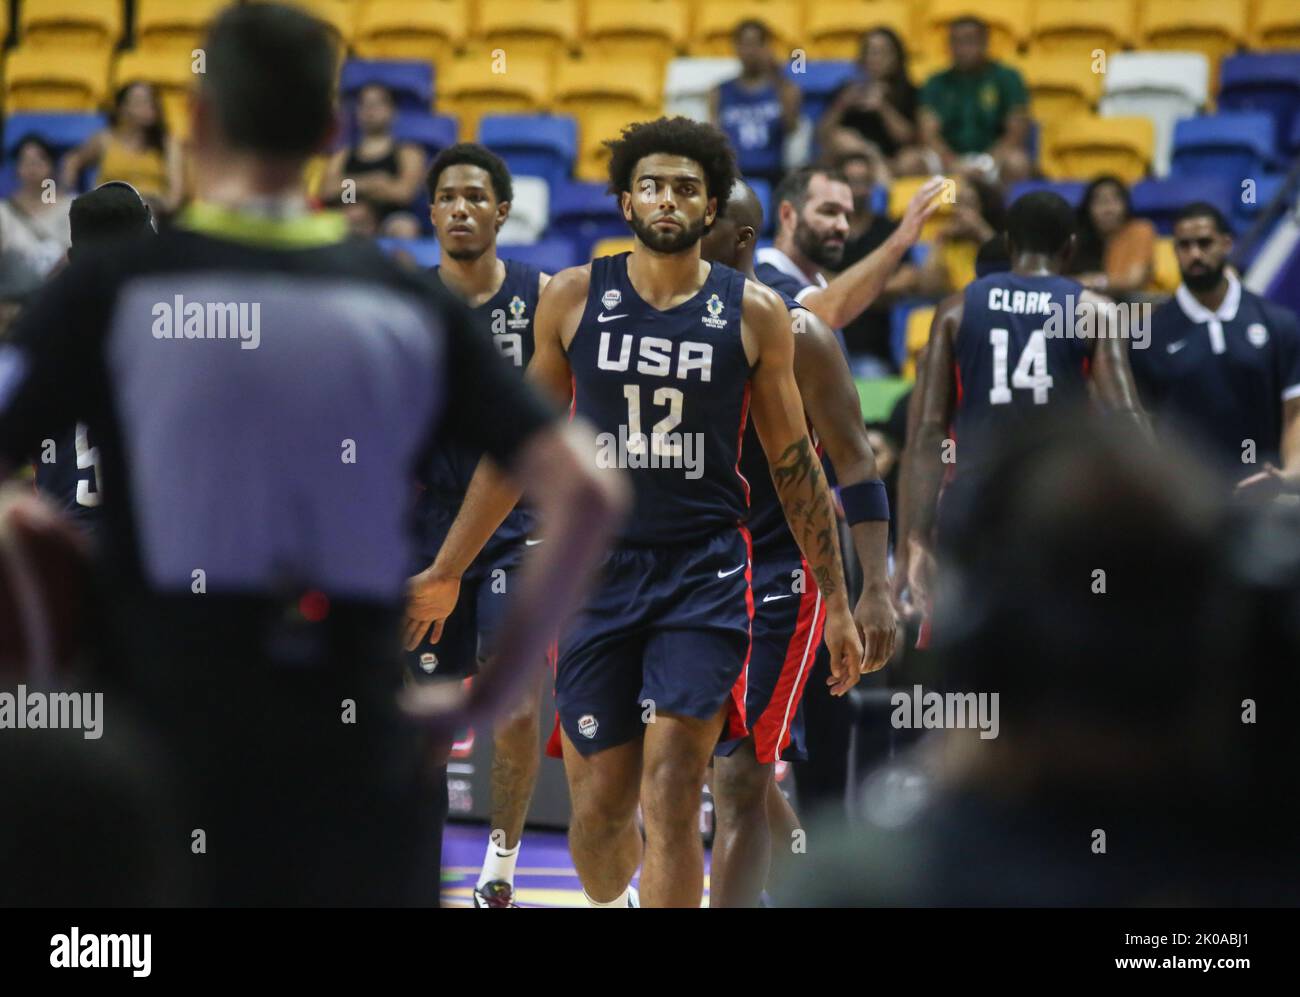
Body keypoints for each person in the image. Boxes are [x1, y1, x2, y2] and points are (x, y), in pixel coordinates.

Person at [0, 2, 625, 907]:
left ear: (199, 121)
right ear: (330, 134)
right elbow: (591, 494)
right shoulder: (401, 299)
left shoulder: (113, 285)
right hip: (357, 750)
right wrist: (483, 700)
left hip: (168, 740)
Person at [406, 115, 865, 908]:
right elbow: (521, 451)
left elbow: (797, 468)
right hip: (596, 574)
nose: (667, 198)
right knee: (601, 818)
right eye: (652, 183)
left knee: (677, 784)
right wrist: (447, 569)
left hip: (706, 572)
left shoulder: (754, 314)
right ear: (624, 200)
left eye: (687, 187)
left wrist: (840, 603)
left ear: (711, 204)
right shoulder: (573, 298)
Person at [700, 180, 897, 906]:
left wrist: (872, 589)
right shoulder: (680, 327)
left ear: (743, 237)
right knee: (699, 766)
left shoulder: (802, 331)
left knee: (742, 776)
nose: (685, 225)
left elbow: (855, 461)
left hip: (787, 570)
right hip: (698, 568)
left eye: (706, 217)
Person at [409, 142, 552, 908]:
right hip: (426, 529)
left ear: (502, 209)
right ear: (431, 212)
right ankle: (418, 871)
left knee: (519, 703)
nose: (461, 207)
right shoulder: (407, 298)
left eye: (475, 196)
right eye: (448, 197)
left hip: (517, 522)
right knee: (424, 724)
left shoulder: (546, 296)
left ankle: (499, 864)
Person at [897, 192, 1145, 620]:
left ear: (1008, 244)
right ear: (1069, 247)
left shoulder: (955, 311)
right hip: (1061, 503)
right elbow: (1124, 415)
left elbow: (929, 433)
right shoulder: (1094, 311)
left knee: (978, 656)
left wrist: (916, 538)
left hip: (977, 504)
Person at [1130, 202, 1300, 495]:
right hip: (1187, 504)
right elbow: (1142, 422)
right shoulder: (1149, 334)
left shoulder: (1277, 323)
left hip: (1263, 497)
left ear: (1226, 243)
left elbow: (1295, 412)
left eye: (1204, 243)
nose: (1195, 254)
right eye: (1184, 245)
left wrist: (1290, 474)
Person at [31, 182, 156, 535]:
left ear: (71, 258)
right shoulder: (182, 338)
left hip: (62, 552)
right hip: (147, 551)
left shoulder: (37, 340)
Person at [755, 165, 943, 335]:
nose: (844, 226)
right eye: (829, 211)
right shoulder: (762, 280)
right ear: (787, 215)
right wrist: (900, 240)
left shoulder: (819, 284)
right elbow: (825, 314)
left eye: (847, 216)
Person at [918, 17, 1031, 184]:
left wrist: (986, 163)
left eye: (969, 41)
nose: (962, 48)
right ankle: (926, 209)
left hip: (993, 159)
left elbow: (1016, 132)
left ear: (985, 43)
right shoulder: (935, 82)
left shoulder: (1007, 78)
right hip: (948, 161)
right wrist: (952, 162)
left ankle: (1003, 209)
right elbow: (928, 133)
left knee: (1017, 163)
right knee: (909, 162)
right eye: (956, 41)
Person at [61, 81, 185, 215]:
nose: (149, 106)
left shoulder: (167, 144)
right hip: (109, 211)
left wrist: (162, 207)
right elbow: (72, 161)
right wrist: (69, 195)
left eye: (151, 101)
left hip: (151, 213)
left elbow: (174, 196)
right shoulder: (105, 140)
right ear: (122, 109)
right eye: (140, 102)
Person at [818, 28, 924, 176]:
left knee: (912, 159)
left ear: (897, 58)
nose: (876, 59)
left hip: (894, 162)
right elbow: (823, 135)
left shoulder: (909, 91)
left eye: (883, 52)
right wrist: (842, 105)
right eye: (871, 52)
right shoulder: (847, 89)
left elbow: (909, 139)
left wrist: (883, 108)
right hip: (855, 161)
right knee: (842, 138)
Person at [319, 83, 428, 228]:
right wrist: (376, 182)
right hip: (349, 217)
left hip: (390, 219)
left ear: (392, 110)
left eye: (377, 103)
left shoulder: (408, 152)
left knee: (404, 226)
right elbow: (326, 190)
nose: (370, 110)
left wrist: (349, 184)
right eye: (364, 104)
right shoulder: (343, 154)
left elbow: (404, 193)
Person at [710, 20, 800, 190]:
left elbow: (791, 128)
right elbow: (715, 137)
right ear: (735, 47)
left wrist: (777, 74)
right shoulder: (719, 91)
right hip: (732, 175)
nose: (749, 51)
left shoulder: (786, 89)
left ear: (766, 47)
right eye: (743, 44)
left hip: (773, 174)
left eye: (755, 44)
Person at [1067, 175, 1156, 295]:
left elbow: (1134, 280)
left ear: (1126, 204)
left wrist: (1094, 281)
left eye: (1115, 200)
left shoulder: (1140, 230)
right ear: (1087, 208)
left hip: (1134, 307)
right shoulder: (1077, 237)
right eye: (1100, 202)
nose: (1108, 210)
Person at [0, 136, 72, 281]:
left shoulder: (70, 206)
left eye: (39, 160)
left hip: (61, 284)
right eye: (26, 161)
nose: (32, 167)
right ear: (17, 168)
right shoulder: (3, 211)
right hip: (15, 287)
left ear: (52, 166)